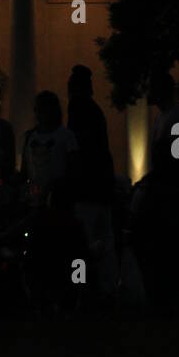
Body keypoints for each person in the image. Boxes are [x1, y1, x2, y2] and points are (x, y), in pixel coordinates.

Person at [66, 66, 118, 298]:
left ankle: (84, 288)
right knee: (103, 240)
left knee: (83, 241)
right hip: (101, 185)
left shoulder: (77, 107)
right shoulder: (94, 110)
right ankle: (106, 287)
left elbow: (77, 145)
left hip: (87, 186)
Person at [20, 92, 78, 207]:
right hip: (34, 200)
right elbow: (25, 170)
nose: (38, 112)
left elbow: (74, 170)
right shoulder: (30, 137)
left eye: (42, 108)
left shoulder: (66, 136)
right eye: (38, 108)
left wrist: (56, 185)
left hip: (59, 200)